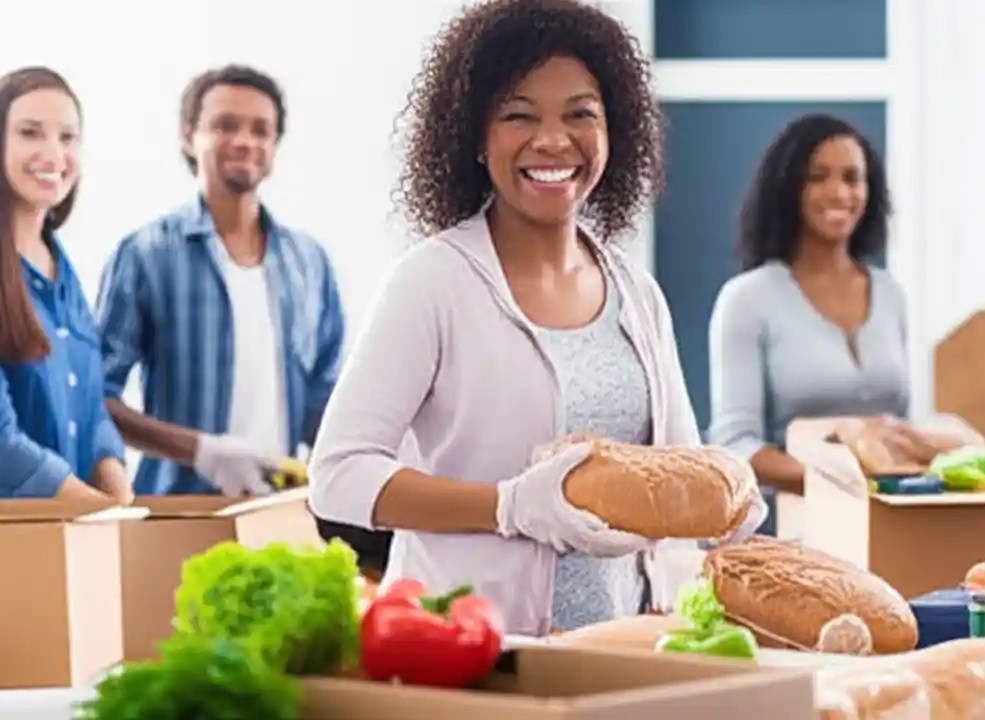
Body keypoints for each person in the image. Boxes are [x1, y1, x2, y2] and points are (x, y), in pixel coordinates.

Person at [307, 0, 764, 635]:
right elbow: (337, 476)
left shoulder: (636, 292)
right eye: (518, 116)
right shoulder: (433, 282)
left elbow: (680, 465)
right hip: (471, 649)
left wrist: (726, 503)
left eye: (581, 115)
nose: (553, 140)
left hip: (621, 646)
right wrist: (508, 506)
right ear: (474, 135)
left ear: (615, 131)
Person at [92, 64, 370, 556]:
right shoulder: (146, 254)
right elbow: (97, 400)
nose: (244, 140)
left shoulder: (309, 263)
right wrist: (202, 451)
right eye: (225, 125)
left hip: (282, 522)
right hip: (176, 521)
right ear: (189, 135)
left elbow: (324, 404)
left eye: (261, 129)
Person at [705, 113, 935, 536]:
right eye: (818, 177)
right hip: (789, 532)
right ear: (788, 189)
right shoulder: (748, 299)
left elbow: (905, 425)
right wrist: (837, 484)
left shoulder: (891, 294)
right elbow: (735, 446)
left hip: (887, 526)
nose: (839, 192)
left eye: (853, 177)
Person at [0, 67, 131, 503]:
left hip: (67, 541)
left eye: (67, 137)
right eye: (30, 132)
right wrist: (99, 514)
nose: (53, 153)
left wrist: (119, 491)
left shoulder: (63, 270)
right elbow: (4, 448)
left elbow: (90, 408)